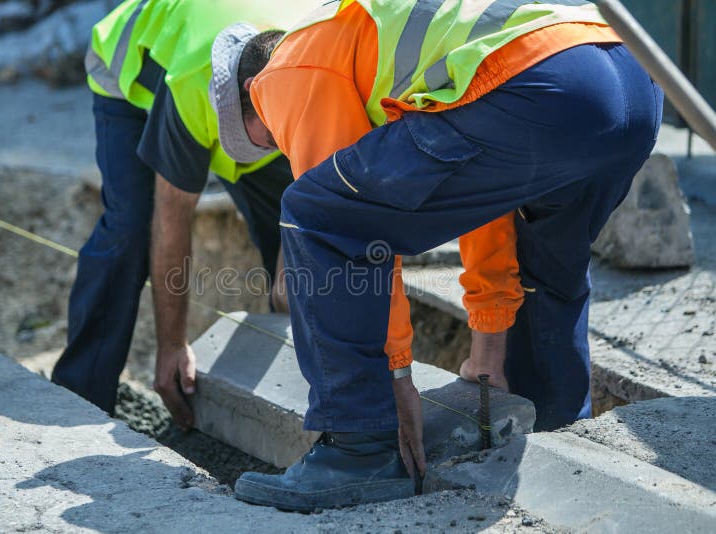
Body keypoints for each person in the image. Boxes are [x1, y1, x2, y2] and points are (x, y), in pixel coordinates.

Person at [225, 0, 661, 511]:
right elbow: (486, 200)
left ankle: (358, 453)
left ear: (251, 97)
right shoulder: (370, 39)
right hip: (628, 82)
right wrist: (489, 344)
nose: (275, 146)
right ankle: (559, 435)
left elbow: (356, 235)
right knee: (548, 267)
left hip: (545, 85)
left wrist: (396, 379)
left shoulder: (289, 70)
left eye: (261, 140)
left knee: (314, 213)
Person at [51, 0, 321, 429]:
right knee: (132, 226)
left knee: (289, 227)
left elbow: (311, 206)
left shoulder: (315, 72)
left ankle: (296, 383)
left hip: (256, 81)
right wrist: (172, 345)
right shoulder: (191, 92)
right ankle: (79, 391)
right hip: (130, 74)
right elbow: (171, 217)